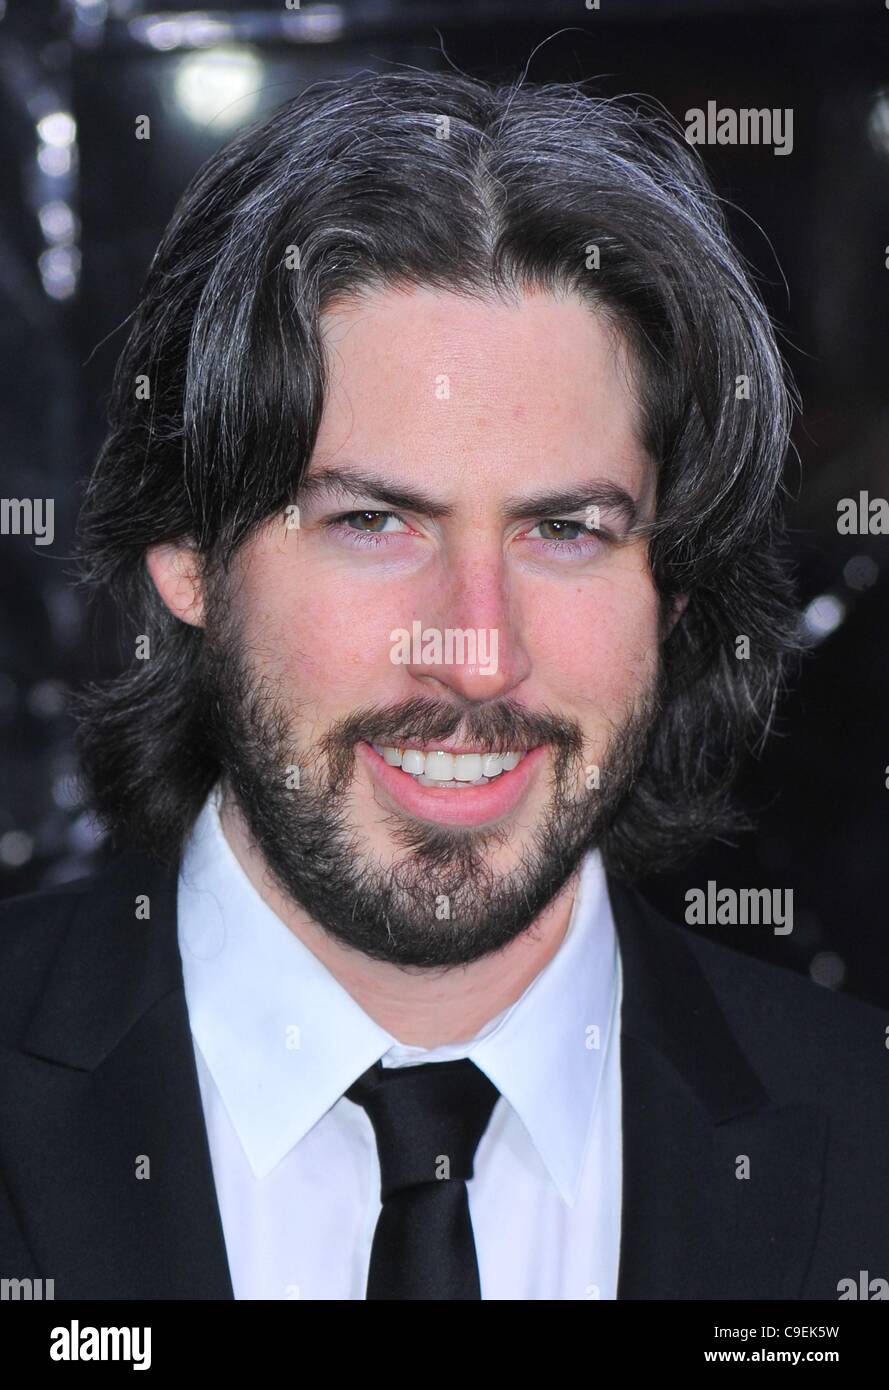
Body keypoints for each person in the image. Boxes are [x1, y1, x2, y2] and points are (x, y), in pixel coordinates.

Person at [1, 69, 887, 1302]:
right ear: (187, 560)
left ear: (672, 591)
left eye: (565, 531)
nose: (475, 653)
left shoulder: (865, 1143)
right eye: (374, 522)